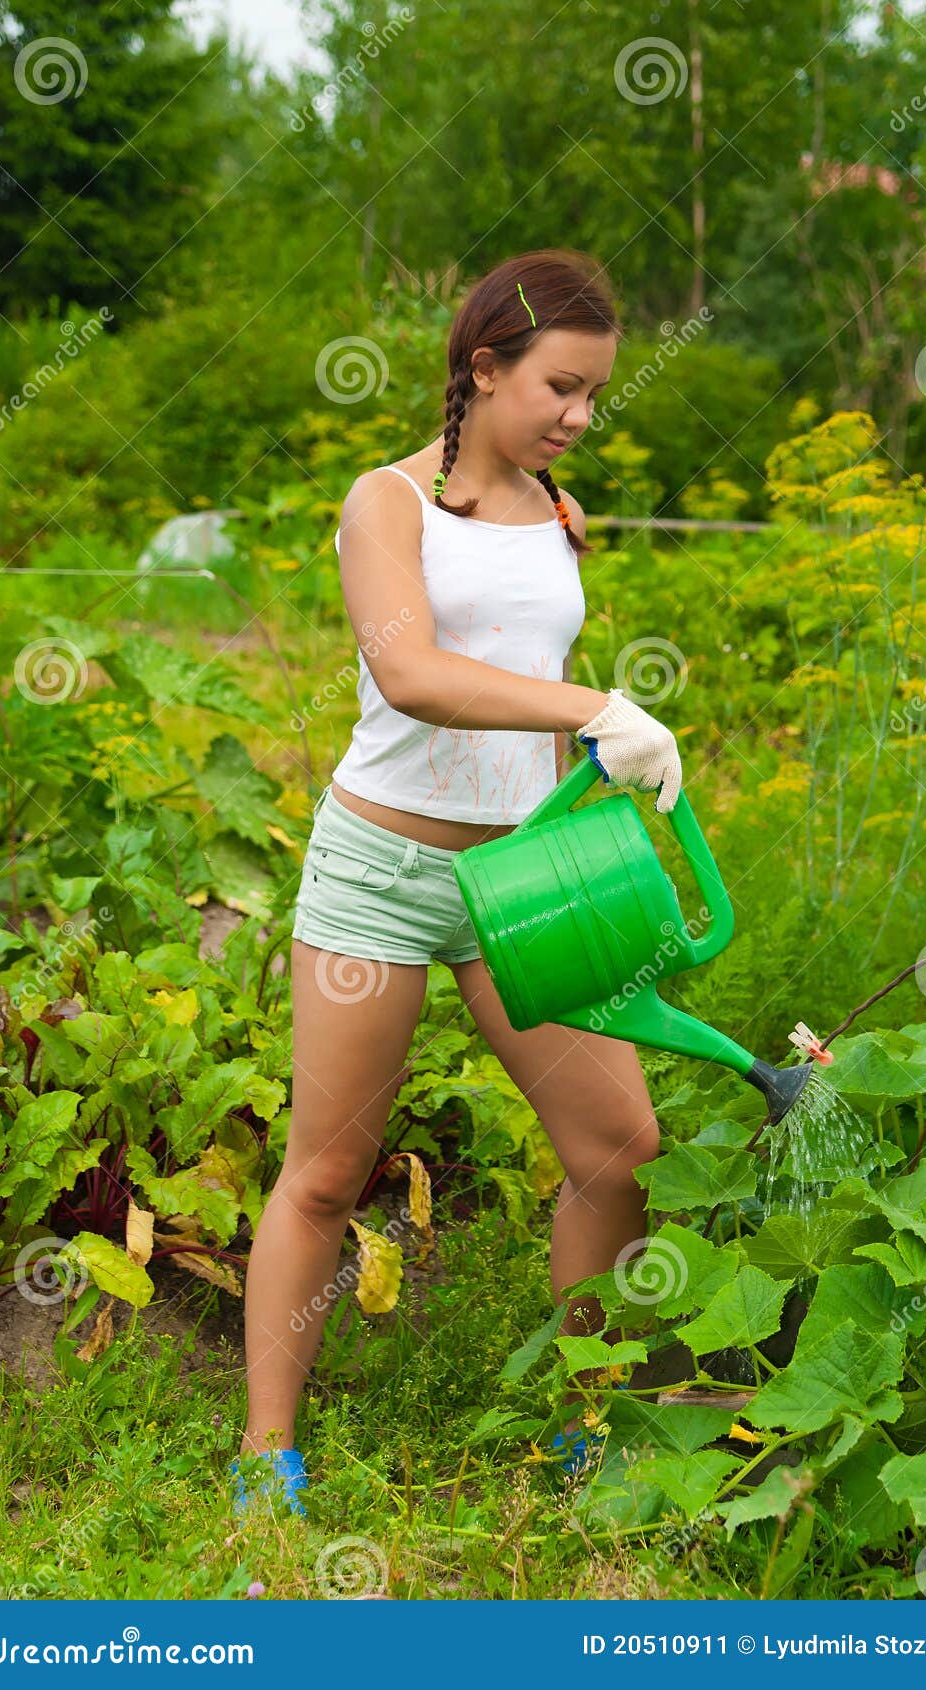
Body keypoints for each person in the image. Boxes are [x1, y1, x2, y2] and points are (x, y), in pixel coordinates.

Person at [229, 248, 683, 1517]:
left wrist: (582, 798)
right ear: (482, 368)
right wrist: (601, 702)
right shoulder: (386, 503)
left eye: (592, 394)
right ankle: (265, 1455)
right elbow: (416, 675)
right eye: (560, 386)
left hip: (520, 876)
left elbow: (523, 703)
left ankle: (583, 1418)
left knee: (617, 1147)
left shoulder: (559, 515)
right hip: (378, 871)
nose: (579, 416)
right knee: (328, 1170)